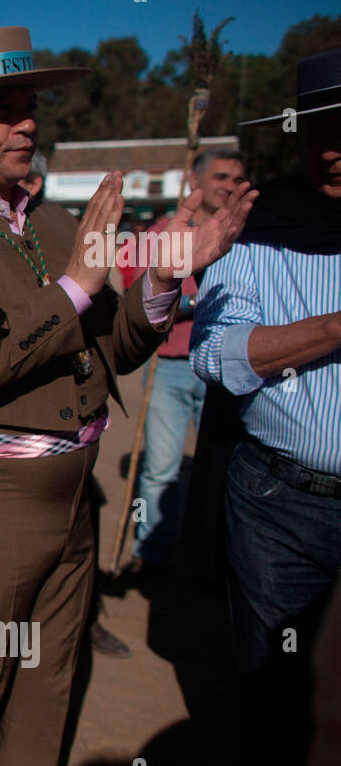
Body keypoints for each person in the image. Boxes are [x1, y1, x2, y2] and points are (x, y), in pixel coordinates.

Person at [0, 25, 255, 766]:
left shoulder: (51, 226)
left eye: (29, 106)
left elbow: (112, 349)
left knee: (42, 706)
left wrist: (162, 278)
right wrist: (76, 288)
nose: (26, 123)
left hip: (73, 507)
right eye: (0, 110)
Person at [190, 47, 341, 766]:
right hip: (284, 504)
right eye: (322, 127)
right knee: (279, 697)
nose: (336, 144)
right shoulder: (259, 227)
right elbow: (219, 354)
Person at [120, 149, 246, 575]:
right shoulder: (161, 234)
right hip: (173, 366)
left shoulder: (249, 237)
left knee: (226, 470)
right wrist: (191, 301)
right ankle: (150, 551)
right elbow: (140, 302)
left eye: (236, 178)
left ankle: (215, 557)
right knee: (160, 468)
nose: (228, 185)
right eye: (221, 176)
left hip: (231, 371)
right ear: (196, 181)